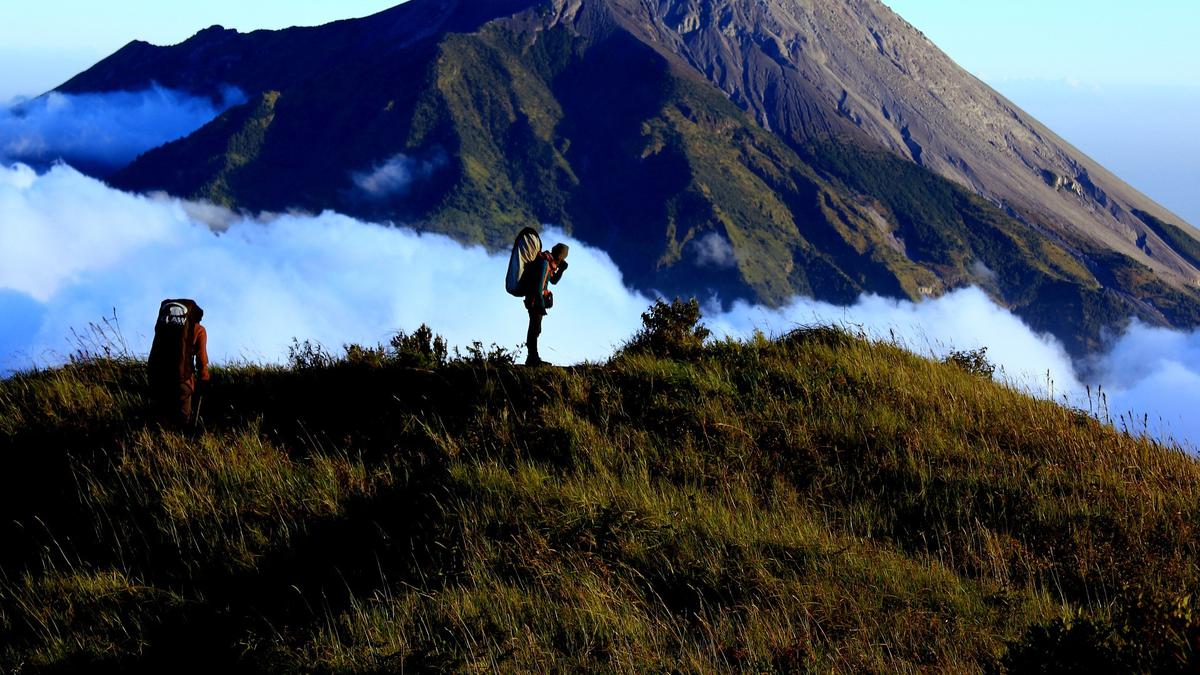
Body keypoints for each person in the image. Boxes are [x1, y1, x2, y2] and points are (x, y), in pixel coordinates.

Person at [148, 300, 210, 426]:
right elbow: (201, 360)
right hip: (182, 382)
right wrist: (204, 378)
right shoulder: (199, 330)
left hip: (157, 380)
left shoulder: (164, 327)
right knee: (181, 423)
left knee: (159, 422)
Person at [523, 243, 569, 366]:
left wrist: (562, 270)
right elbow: (538, 287)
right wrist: (540, 305)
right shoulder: (544, 263)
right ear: (560, 256)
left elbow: (553, 281)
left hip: (536, 300)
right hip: (535, 300)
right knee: (534, 329)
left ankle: (533, 357)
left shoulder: (549, 263)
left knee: (536, 328)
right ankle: (532, 358)